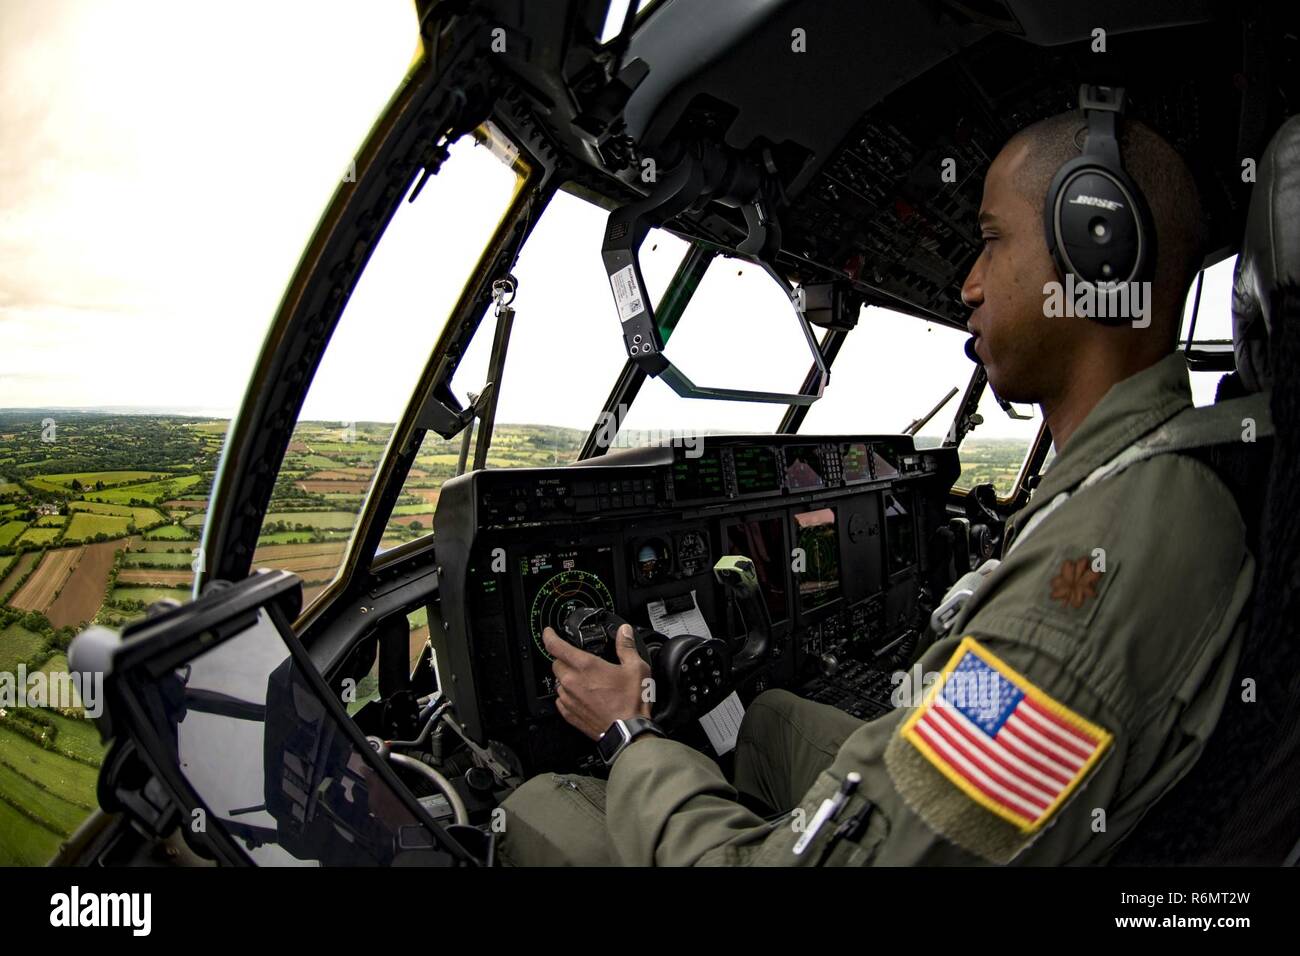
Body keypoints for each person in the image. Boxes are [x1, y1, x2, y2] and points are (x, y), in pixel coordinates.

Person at [496, 109, 1255, 866]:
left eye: (991, 240)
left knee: (531, 806)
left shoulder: (1083, 586)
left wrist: (628, 732)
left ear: (1100, 249)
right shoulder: (1157, 481)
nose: (969, 285)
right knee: (764, 721)